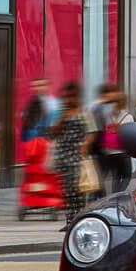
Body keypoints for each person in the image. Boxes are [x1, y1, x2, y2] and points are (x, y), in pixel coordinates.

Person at [52, 80, 94, 216]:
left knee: (79, 188)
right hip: (63, 155)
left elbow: (92, 132)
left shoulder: (85, 112)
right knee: (67, 189)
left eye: (72, 96)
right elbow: (52, 134)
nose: (69, 99)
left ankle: (79, 216)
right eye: (67, 96)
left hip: (78, 156)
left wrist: (86, 144)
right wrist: (61, 120)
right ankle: (70, 218)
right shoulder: (60, 113)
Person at [18, 76, 55, 144]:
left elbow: (52, 123)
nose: (37, 88)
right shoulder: (33, 100)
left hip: (42, 139)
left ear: (47, 86)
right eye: (34, 86)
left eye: (40, 85)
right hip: (32, 138)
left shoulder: (52, 102)